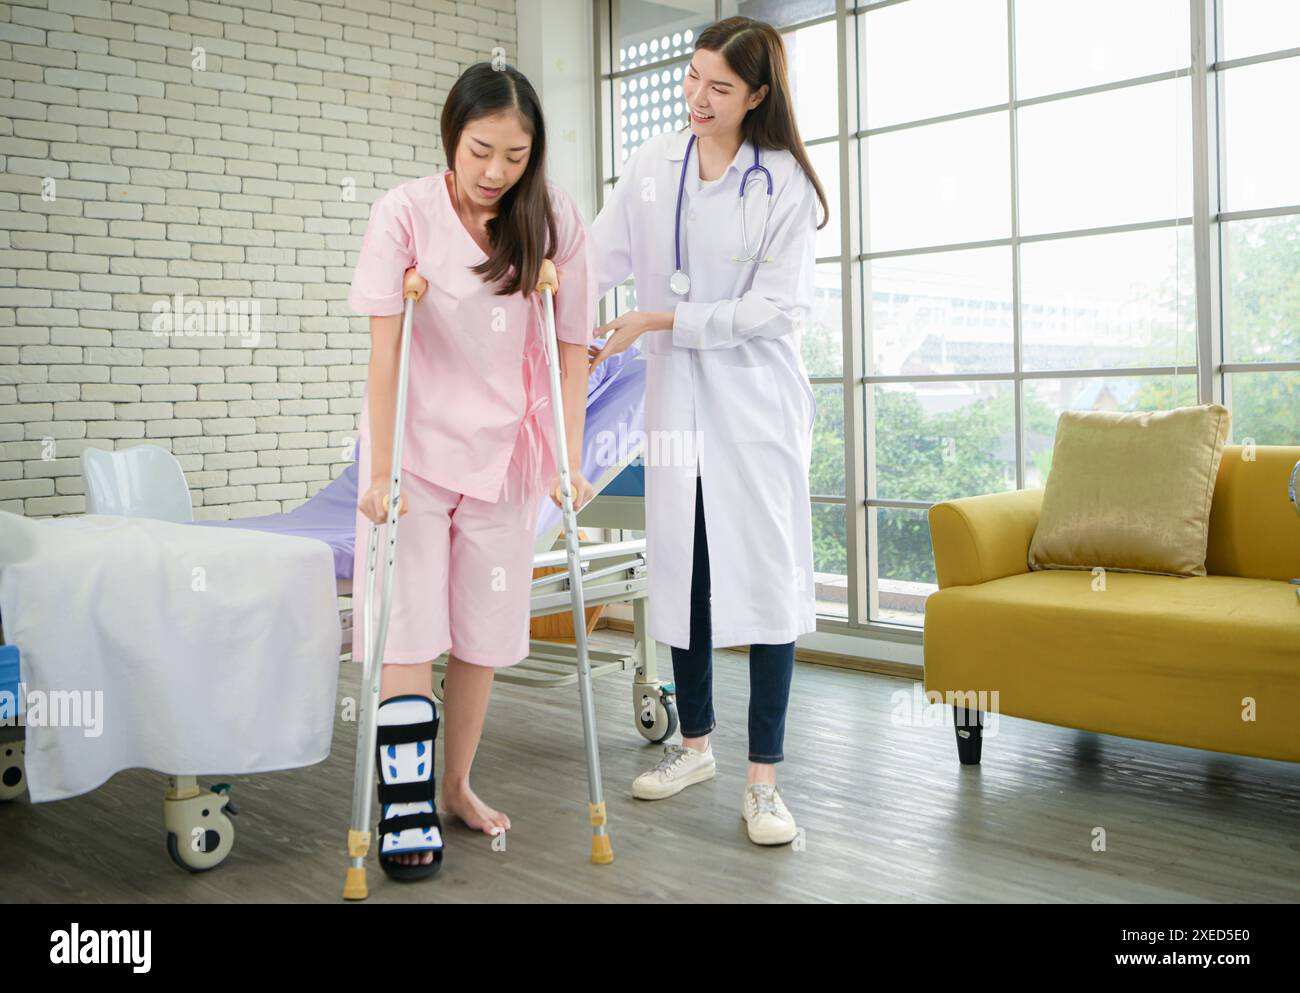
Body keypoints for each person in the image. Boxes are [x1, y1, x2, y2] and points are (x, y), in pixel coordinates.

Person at [348, 62, 596, 881]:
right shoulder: (405, 214)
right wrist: (379, 470)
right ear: (451, 138)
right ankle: (406, 801)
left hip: (507, 451)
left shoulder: (554, 219)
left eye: (516, 156)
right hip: (413, 452)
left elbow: (570, 351)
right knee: (409, 622)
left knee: (482, 632)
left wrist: (568, 459)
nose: (496, 171)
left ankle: (454, 785)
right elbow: (386, 353)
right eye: (480, 151)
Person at [588, 16, 827, 845]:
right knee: (683, 571)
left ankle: (765, 783)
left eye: (719, 86)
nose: (697, 96)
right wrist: (532, 276)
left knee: (765, 584)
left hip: (756, 404)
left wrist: (662, 318)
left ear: (757, 95)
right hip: (677, 402)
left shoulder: (785, 183)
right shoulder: (654, 165)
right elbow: (597, 255)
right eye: (692, 77)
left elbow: (776, 309)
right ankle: (694, 747)